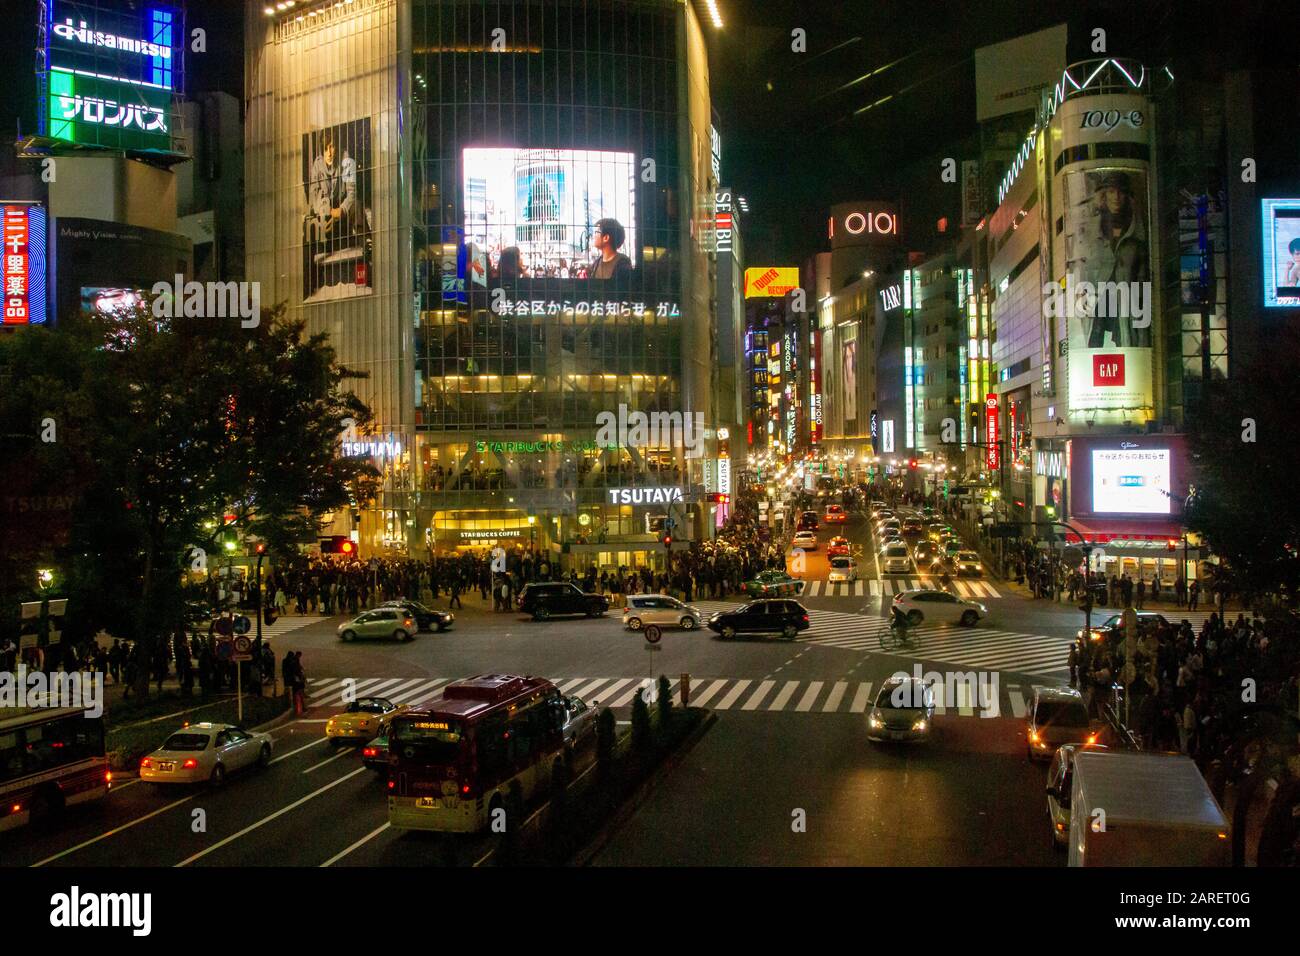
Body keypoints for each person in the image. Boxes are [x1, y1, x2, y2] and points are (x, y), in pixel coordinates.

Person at [588, 217, 633, 281]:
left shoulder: (623, 264)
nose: (593, 236)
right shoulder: (596, 264)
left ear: (606, 238)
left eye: (596, 232)